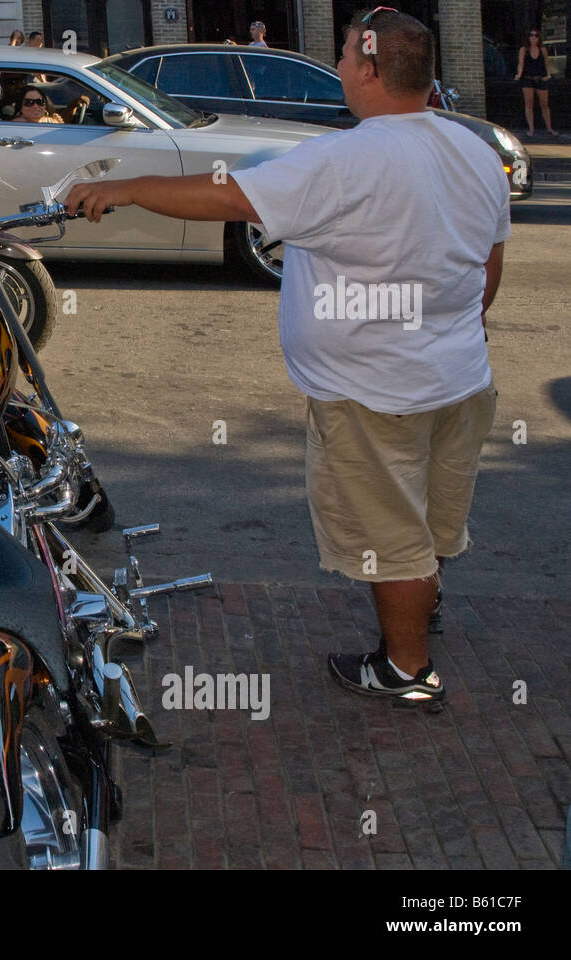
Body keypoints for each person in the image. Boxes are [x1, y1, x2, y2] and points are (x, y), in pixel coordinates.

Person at [66, 8, 508, 710]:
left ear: (368, 69)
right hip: (459, 378)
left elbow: (227, 196)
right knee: (427, 517)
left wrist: (123, 188)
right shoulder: (475, 151)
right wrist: (447, 330)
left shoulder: (346, 158)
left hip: (372, 392)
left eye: (341, 56)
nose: (336, 69)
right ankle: (425, 602)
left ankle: (406, 671)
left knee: (388, 537)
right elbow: (489, 266)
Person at [515, 28, 557, 137]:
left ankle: (549, 128)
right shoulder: (524, 49)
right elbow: (521, 63)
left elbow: (546, 63)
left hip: (540, 78)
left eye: (536, 36)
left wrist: (548, 75)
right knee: (529, 104)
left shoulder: (542, 49)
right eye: (531, 35)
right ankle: (531, 129)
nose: (533, 37)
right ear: (528, 38)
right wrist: (519, 74)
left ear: (539, 38)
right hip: (527, 78)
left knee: (544, 103)